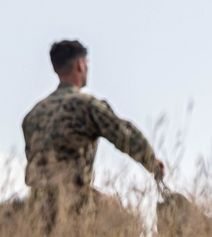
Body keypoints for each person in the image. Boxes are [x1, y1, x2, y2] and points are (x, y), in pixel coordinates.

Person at [22, 40, 165, 222]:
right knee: (124, 220)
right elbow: (124, 135)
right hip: (74, 201)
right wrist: (152, 162)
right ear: (80, 65)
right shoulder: (87, 106)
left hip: (35, 206)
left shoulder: (33, 115)